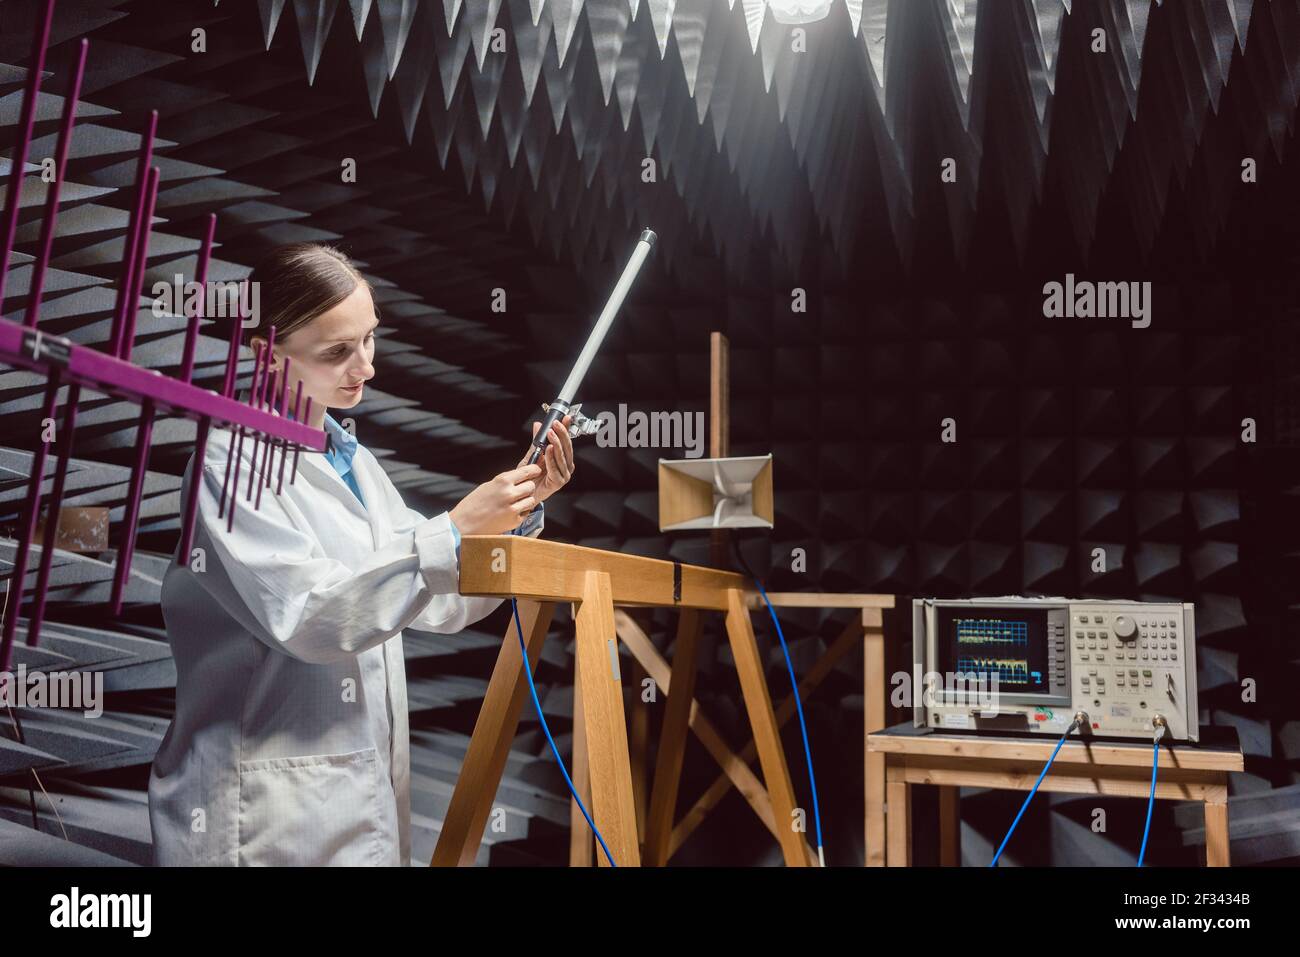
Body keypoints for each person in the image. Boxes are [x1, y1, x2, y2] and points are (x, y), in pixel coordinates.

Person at [147, 242, 575, 866]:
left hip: (354, 797)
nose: (366, 368)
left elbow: (432, 601)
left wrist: (520, 508)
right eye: (337, 352)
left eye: (369, 339)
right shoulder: (229, 464)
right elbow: (312, 616)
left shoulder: (353, 462)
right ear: (268, 352)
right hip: (263, 815)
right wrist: (454, 528)